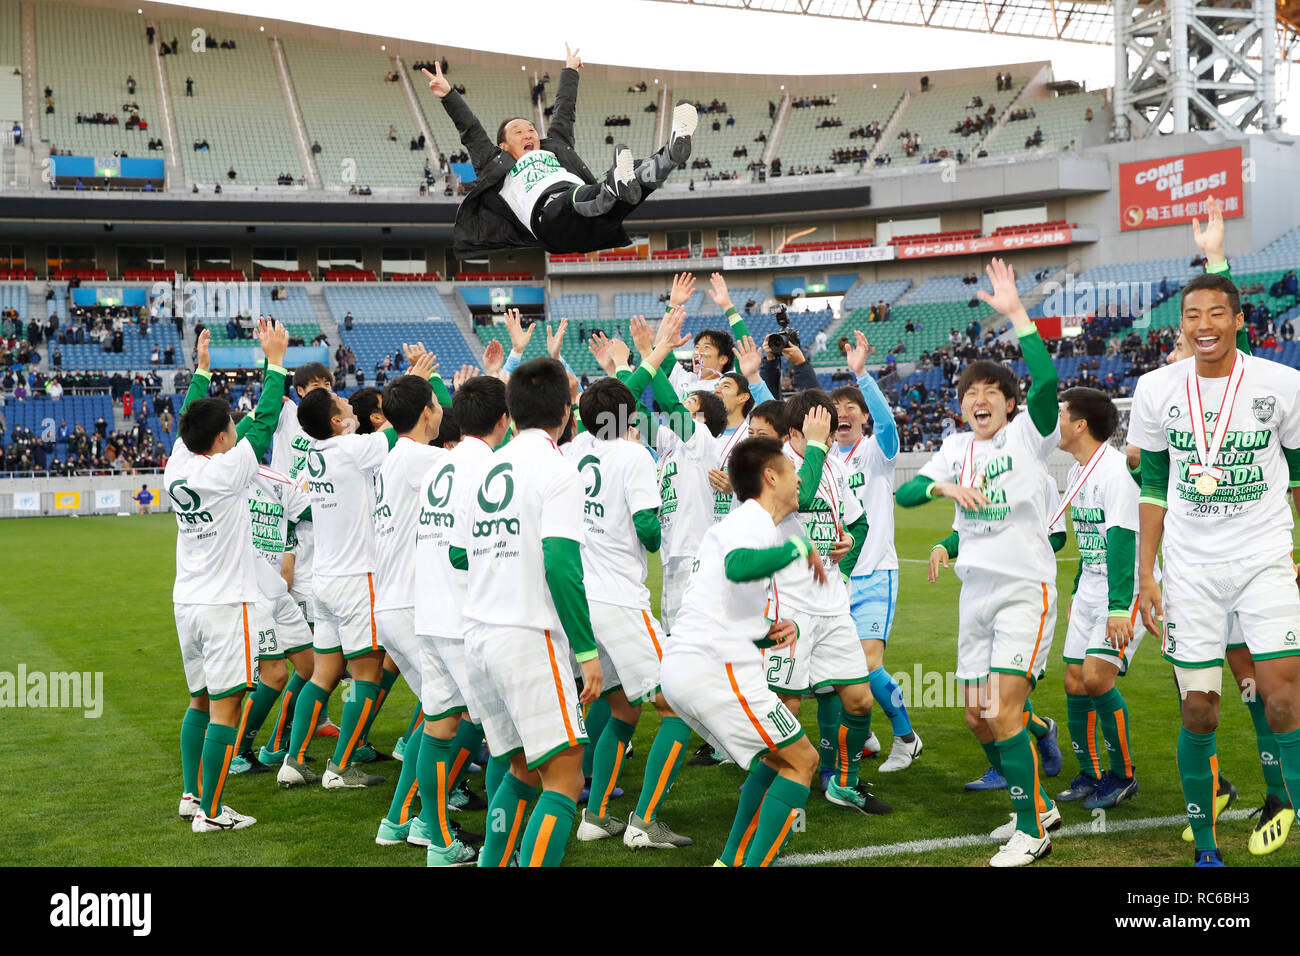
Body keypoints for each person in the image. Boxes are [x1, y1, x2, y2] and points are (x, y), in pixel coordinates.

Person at [1129, 198, 1300, 866]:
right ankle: (1205, 847)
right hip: (1191, 570)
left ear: (1238, 322)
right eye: (1192, 317)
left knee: (1282, 688)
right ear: (1181, 326)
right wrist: (1146, 574)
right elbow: (1151, 485)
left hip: (1262, 558)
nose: (1204, 326)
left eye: (1216, 314)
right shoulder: (1154, 390)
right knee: (1199, 709)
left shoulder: (1281, 385)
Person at [897, 257, 1062, 867]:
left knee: (1003, 708)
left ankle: (1030, 829)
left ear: (1011, 404)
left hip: (1023, 587)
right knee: (974, 714)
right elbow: (906, 493)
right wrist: (942, 490)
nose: (979, 400)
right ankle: (1037, 804)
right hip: (975, 594)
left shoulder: (1028, 436)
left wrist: (1018, 315)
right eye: (970, 393)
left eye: (992, 392)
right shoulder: (953, 447)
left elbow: (1045, 384)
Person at [660, 435, 827, 866]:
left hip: (690, 664)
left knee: (776, 758)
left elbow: (717, 604)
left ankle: (731, 860)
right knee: (802, 761)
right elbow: (737, 568)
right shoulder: (753, 522)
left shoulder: (737, 524)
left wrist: (763, 634)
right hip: (716, 668)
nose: (798, 481)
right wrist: (797, 546)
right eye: (792, 470)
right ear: (771, 477)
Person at [462, 356, 602, 868]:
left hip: (479, 632)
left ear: (512, 411)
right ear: (567, 412)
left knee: (522, 766)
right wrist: (586, 651)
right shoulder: (557, 470)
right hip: (526, 631)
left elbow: (460, 553)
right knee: (566, 774)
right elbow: (563, 565)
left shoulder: (488, 467)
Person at [275, 352, 436, 790]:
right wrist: (413, 381)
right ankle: (340, 767)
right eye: (342, 405)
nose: (349, 406)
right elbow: (398, 433)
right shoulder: (350, 449)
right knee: (367, 673)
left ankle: (294, 758)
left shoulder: (314, 453)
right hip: (356, 577)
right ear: (334, 422)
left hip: (323, 579)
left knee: (324, 674)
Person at [568, 323, 697, 850]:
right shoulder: (632, 456)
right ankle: (643, 821)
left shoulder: (575, 448)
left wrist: (642, 360)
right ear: (625, 417)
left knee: (624, 707)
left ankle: (596, 813)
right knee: (679, 705)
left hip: (580, 597)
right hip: (620, 598)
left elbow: (610, 405)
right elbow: (646, 532)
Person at [168, 317, 289, 832]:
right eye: (229, 428)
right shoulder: (226, 468)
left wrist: (201, 372)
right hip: (224, 605)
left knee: (198, 700)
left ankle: (192, 795)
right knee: (226, 707)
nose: (237, 431)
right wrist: (275, 361)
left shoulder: (178, 461)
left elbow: (188, 419)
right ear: (220, 437)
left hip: (186, 602)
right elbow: (263, 421)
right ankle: (213, 814)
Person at [424, 45, 696, 257]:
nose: (529, 134)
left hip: (595, 224)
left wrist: (571, 70)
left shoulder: (554, 147)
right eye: (518, 132)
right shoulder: (494, 163)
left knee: (630, 187)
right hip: (551, 221)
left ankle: (670, 156)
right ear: (504, 146)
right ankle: (612, 188)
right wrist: (449, 94)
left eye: (531, 129)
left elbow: (565, 110)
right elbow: (471, 130)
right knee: (576, 198)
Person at [412, 372, 511, 866]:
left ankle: (438, 841)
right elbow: (468, 553)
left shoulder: (441, 464)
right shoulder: (490, 469)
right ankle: (501, 847)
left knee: (438, 728)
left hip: (428, 613)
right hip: (466, 618)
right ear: (504, 419)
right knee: (501, 739)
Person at [1048, 387, 1145, 811]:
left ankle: (1123, 775)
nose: (1055, 422)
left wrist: (1119, 607)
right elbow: (1089, 542)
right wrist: (1077, 591)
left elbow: (1123, 539)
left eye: (1060, 413)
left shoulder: (1116, 469)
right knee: (1073, 679)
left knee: (1097, 678)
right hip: (1089, 586)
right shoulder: (1077, 470)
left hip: (1121, 590)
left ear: (1080, 424)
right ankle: (1089, 773)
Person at [832, 330, 922, 772]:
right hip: (834, 579)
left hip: (873, 575)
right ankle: (864, 735)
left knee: (868, 664)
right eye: (836, 411)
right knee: (834, 670)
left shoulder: (875, 453)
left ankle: (906, 739)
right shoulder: (824, 458)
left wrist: (862, 375)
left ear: (863, 418)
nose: (843, 415)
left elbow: (888, 424)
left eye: (851, 410)